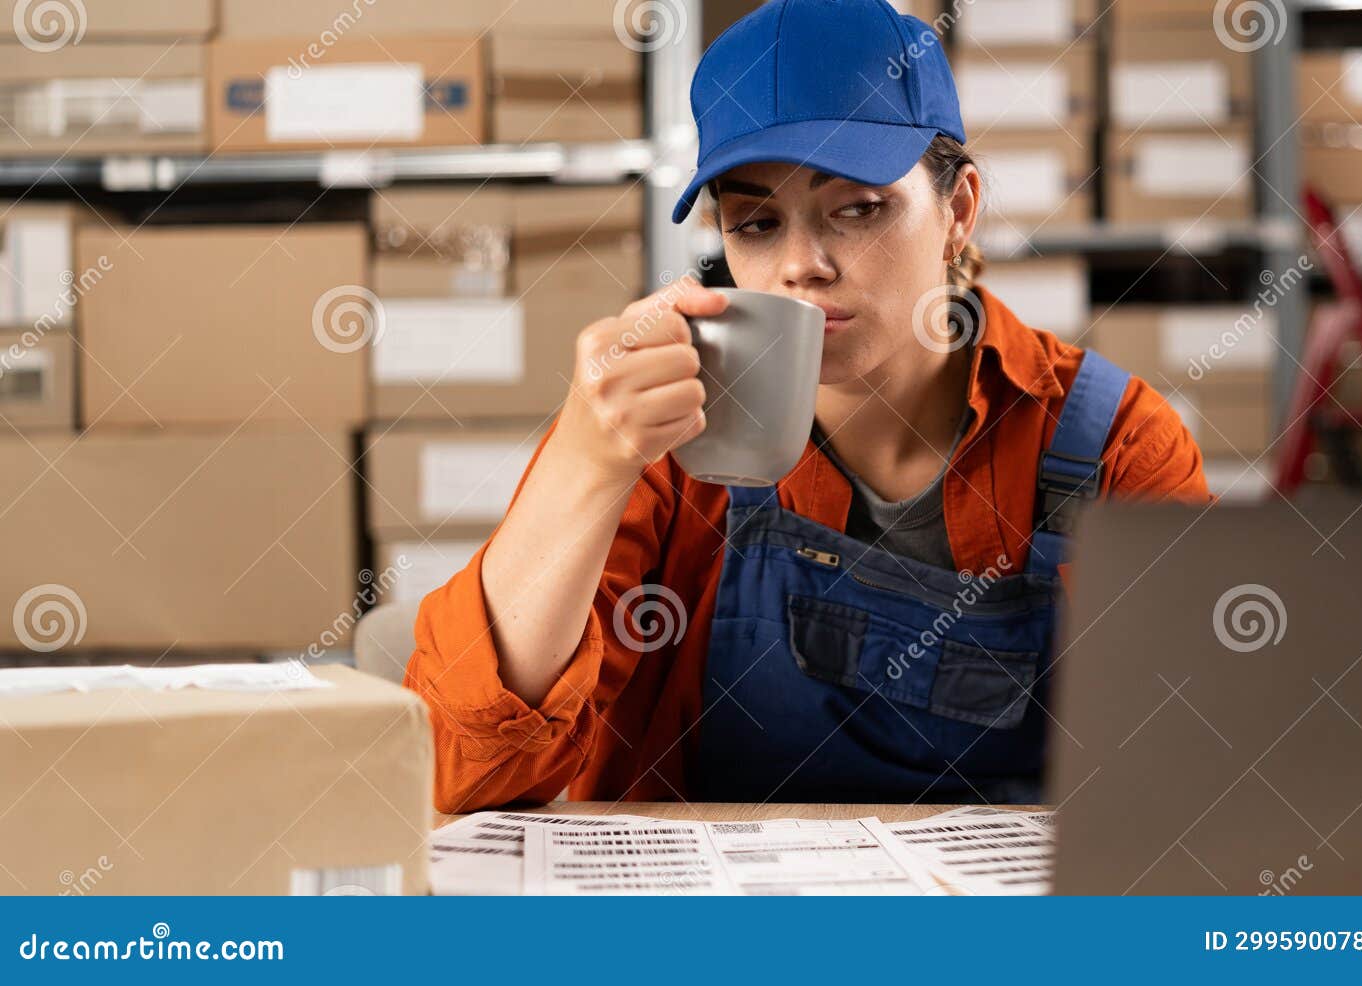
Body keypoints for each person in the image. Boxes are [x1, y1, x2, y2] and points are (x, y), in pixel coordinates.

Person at [406, 0, 1211, 811]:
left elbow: (1204, 774)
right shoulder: (659, 441)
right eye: (756, 222)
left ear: (958, 211)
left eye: (859, 208)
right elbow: (466, 769)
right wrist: (586, 458)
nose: (802, 265)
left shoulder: (1112, 445)